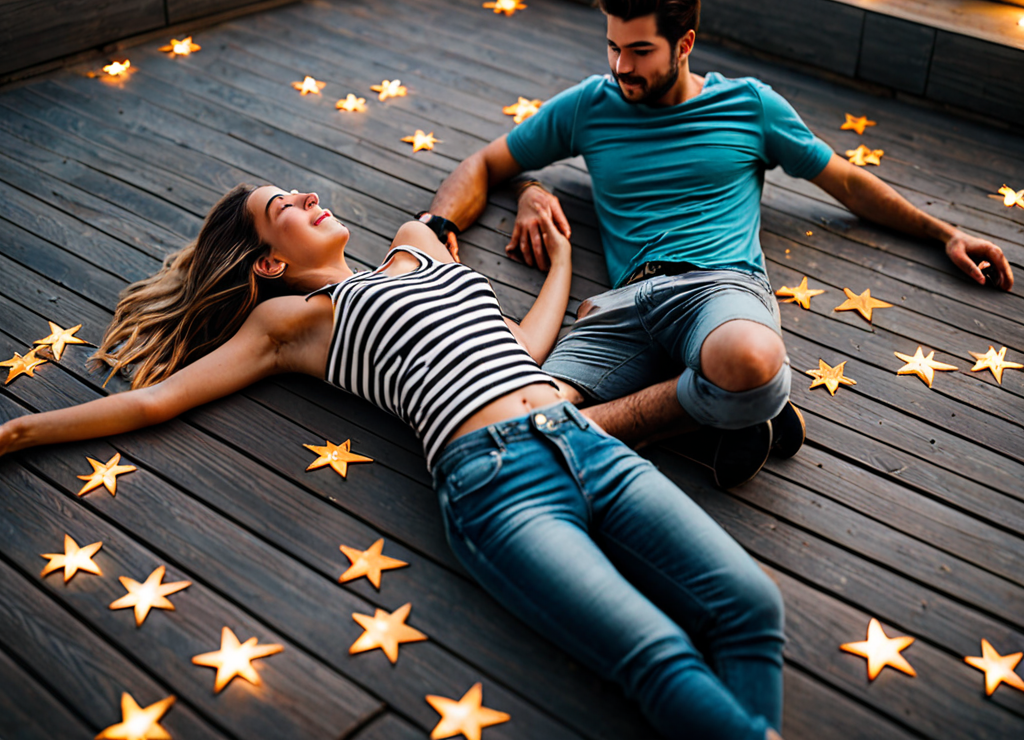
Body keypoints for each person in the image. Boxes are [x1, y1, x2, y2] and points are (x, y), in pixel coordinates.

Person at [0, 184, 785, 740]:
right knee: (657, 656)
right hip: (498, 487)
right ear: (269, 262)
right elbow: (155, 402)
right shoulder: (296, 320)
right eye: (287, 210)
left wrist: (560, 267)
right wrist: (21, 433)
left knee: (753, 609)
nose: (310, 198)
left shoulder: (416, 251)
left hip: (585, 442)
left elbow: (522, 347)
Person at [426, 0, 1013, 488]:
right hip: (622, 304)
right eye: (612, 47)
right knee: (515, 410)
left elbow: (849, 182)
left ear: (684, 43)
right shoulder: (591, 103)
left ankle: (711, 401)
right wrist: (474, 209)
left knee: (751, 360)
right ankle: (730, 408)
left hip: (720, 286)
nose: (620, 67)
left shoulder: (749, 106)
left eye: (640, 51)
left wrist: (947, 233)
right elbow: (487, 161)